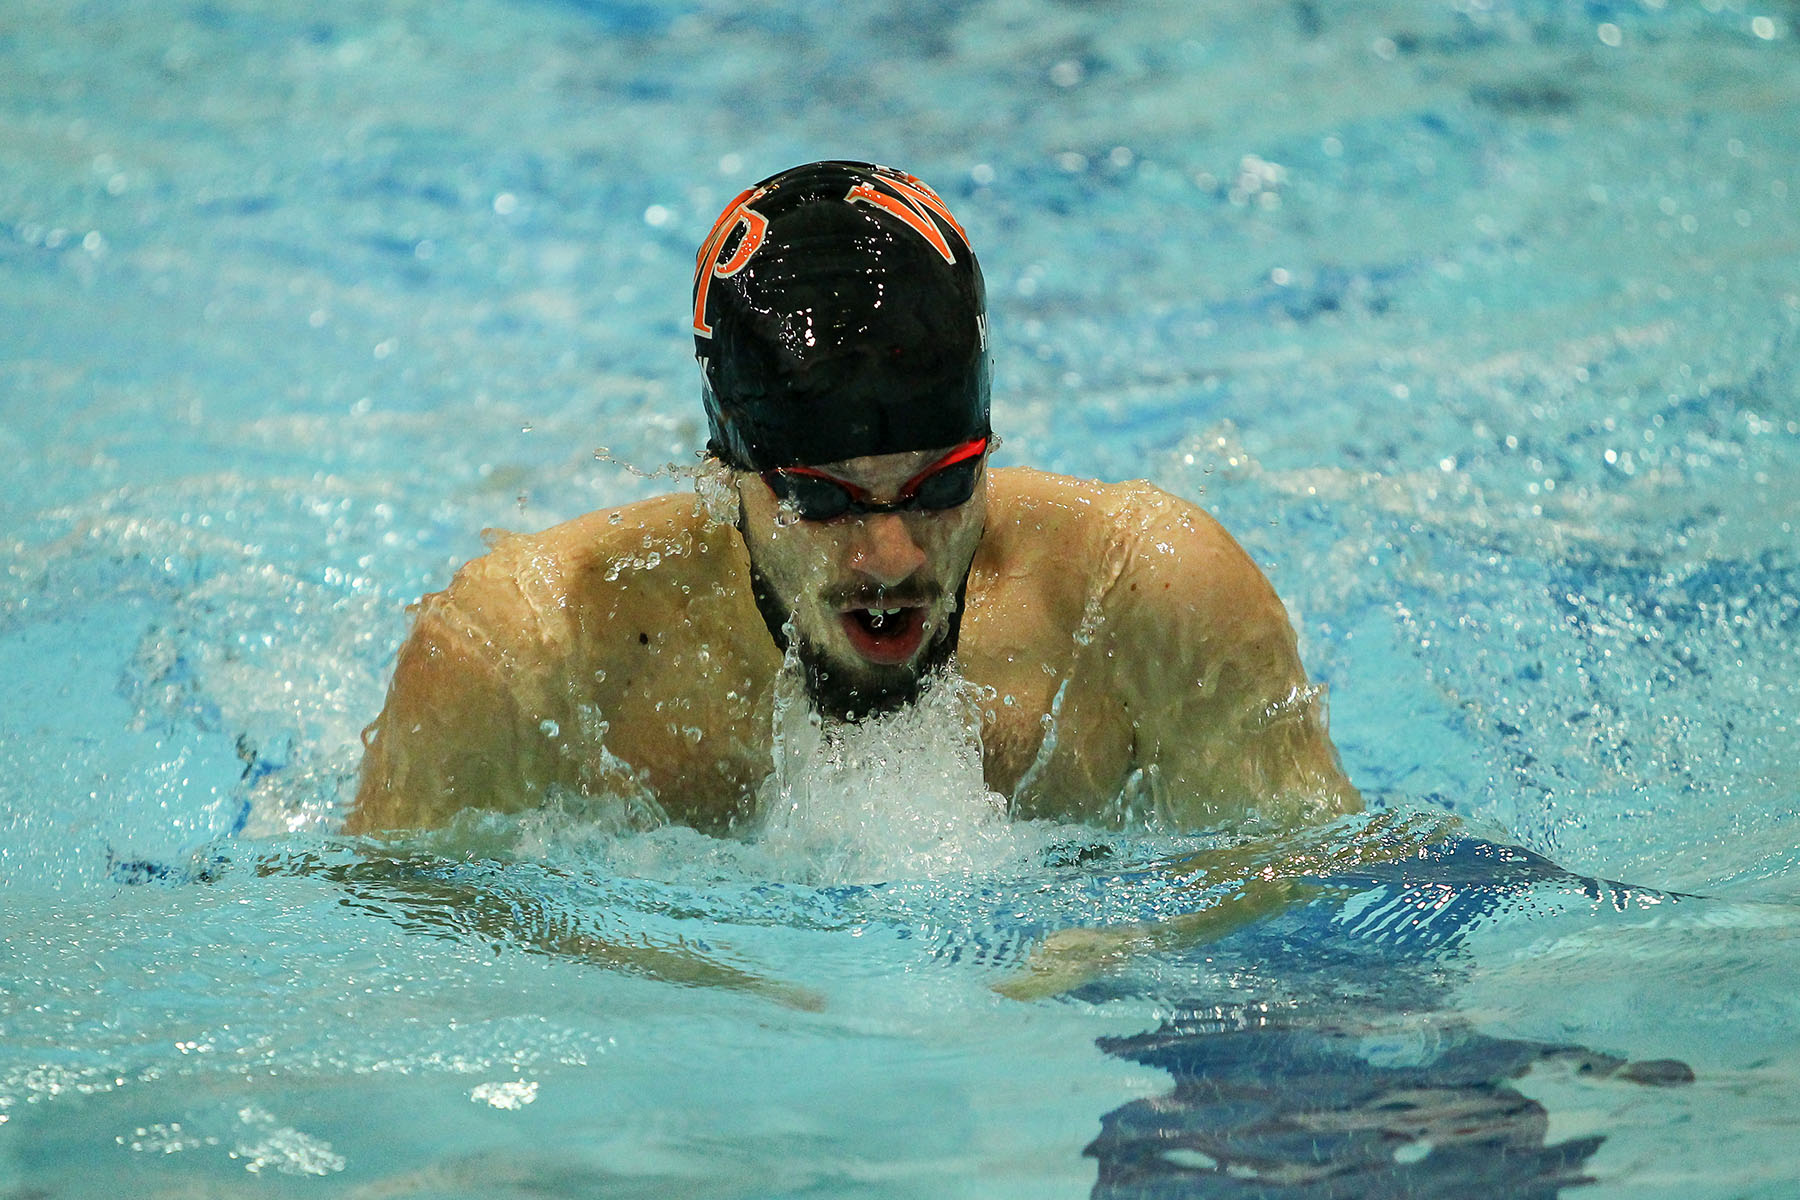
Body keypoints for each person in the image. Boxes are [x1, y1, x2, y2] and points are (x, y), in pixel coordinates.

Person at [347, 160, 1358, 837]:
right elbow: (398, 963)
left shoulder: (1147, 594)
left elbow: (1309, 904)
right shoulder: (524, 655)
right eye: (825, 503)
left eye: (940, 487)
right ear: (725, 472)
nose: (892, 558)